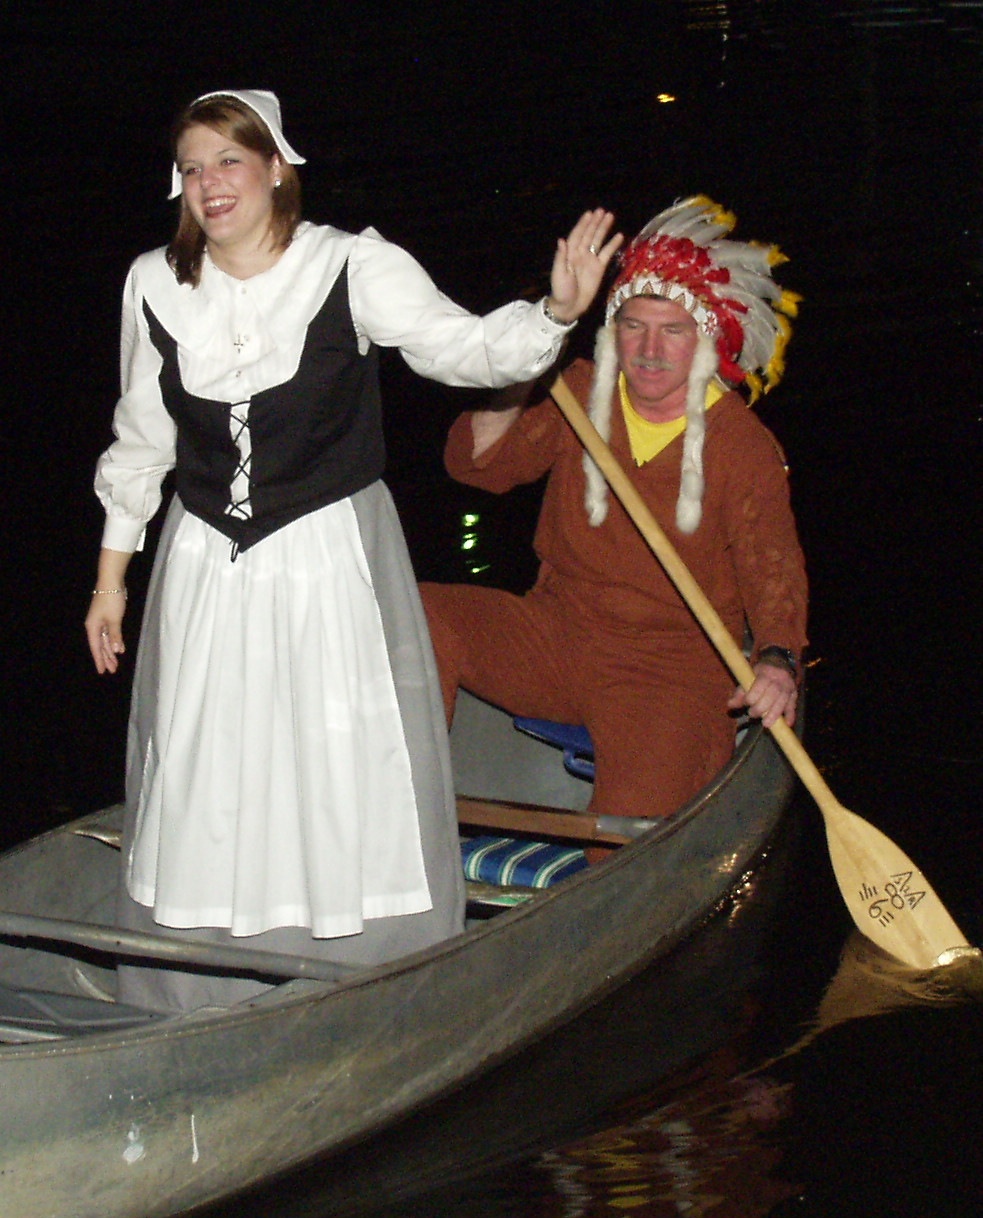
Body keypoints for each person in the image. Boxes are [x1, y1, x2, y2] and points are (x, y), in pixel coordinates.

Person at [87, 90, 621, 1012]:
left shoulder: (350, 265)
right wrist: (110, 583)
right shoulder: (152, 284)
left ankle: (355, 978)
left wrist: (553, 313)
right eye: (193, 166)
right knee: (211, 758)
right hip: (207, 567)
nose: (211, 183)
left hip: (325, 558)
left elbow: (466, 350)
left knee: (333, 755)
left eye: (229, 160)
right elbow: (142, 442)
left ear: (275, 167)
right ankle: (208, 979)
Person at [420, 197, 805, 824]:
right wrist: (525, 366)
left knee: (624, 826)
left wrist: (777, 660)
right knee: (422, 616)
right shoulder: (576, 389)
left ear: (706, 338)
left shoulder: (741, 443)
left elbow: (773, 563)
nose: (648, 349)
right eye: (633, 326)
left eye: (672, 330)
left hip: (670, 669)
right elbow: (476, 467)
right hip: (556, 632)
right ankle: (400, 817)